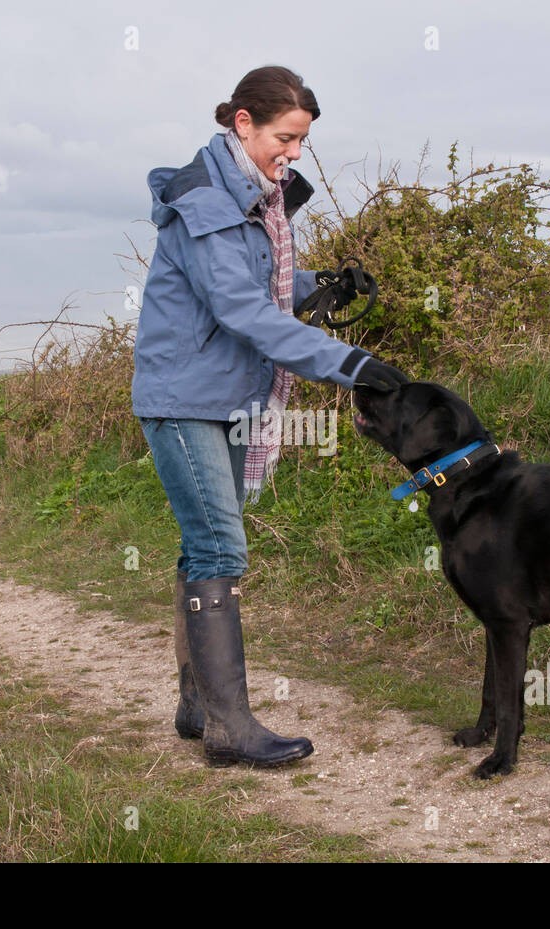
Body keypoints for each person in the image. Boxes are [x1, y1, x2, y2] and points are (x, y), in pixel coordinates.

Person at [132, 65, 408, 768]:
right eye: (286, 137)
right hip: (185, 400)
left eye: (303, 141)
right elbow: (243, 309)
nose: (294, 153)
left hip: (224, 396)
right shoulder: (205, 201)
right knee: (221, 551)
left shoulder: (255, 196)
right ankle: (230, 726)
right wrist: (348, 363)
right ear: (243, 122)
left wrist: (324, 284)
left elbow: (262, 284)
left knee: (203, 550)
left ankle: (199, 706)